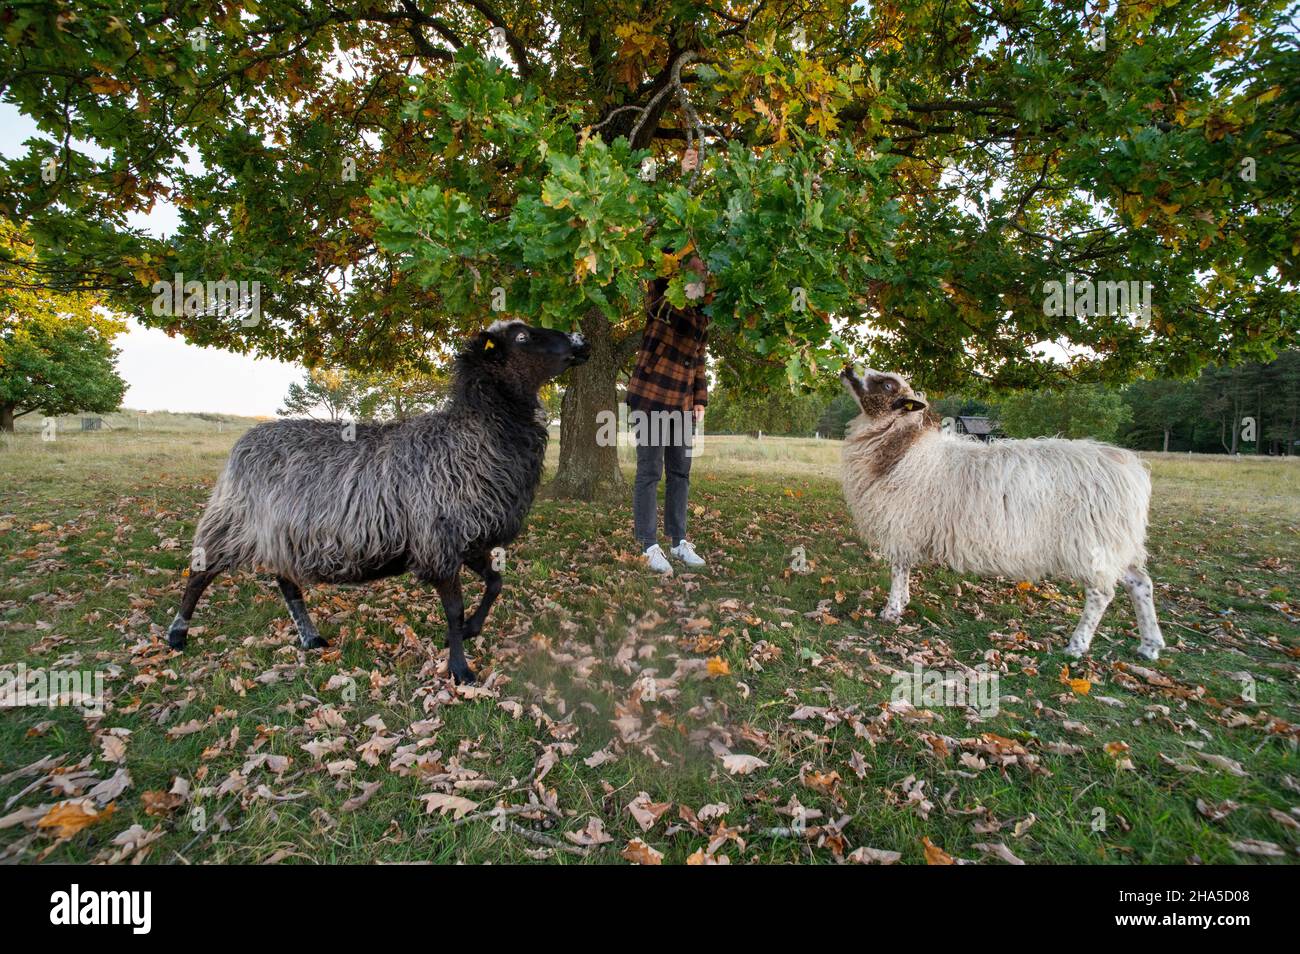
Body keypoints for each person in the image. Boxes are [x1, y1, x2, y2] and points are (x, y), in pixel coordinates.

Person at [625, 255, 710, 575]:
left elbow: (699, 357)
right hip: (652, 395)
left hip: (683, 403)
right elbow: (660, 274)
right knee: (649, 473)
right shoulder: (663, 292)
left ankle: (678, 541)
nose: (703, 272)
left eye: (705, 269)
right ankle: (648, 545)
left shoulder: (704, 311)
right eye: (697, 266)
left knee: (680, 474)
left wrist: (700, 397)